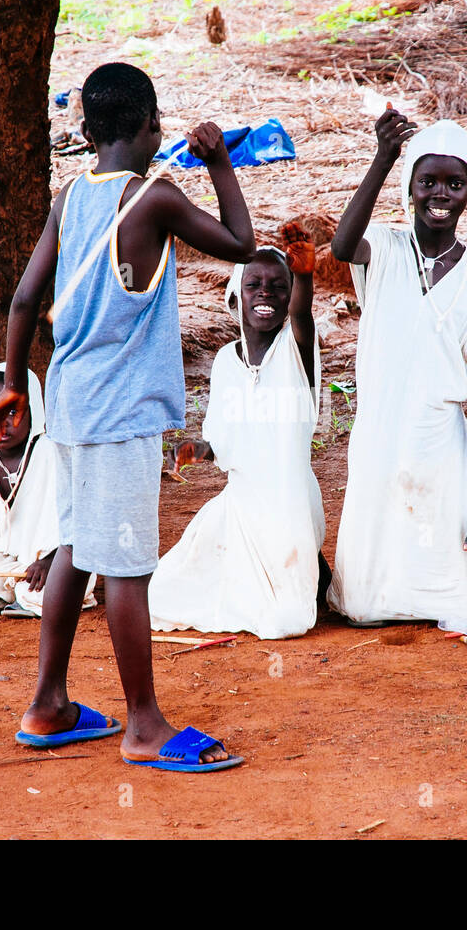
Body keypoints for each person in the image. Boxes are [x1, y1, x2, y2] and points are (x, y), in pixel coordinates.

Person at [0, 62, 254, 771]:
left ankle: (49, 703)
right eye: (159, 123)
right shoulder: (154, 200)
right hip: (121, 412)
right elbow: (241, 243)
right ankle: (144, 724)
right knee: (128, 568)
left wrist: (15, 385)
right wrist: (221, 162)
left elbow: (22, 301)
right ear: (148, 126)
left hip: (70, 404)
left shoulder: (69, 196)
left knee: (76, 548)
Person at [327, 113, 467, 635]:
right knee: (364, 606)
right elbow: (341, 247)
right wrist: (383, 157)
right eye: (427, 181)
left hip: (440, 445)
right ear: (410, 189)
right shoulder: (384, 250)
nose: (441, 193)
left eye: (455, 183)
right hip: (378, 435)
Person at [149, 228, 326, 639]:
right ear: (236, 295)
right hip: (240, 504)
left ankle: (308, 569)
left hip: (290, 503)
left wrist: (304, 277)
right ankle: (309, 572)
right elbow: (220, 442)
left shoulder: (297, 348)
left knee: (284, 620)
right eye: (255, 285)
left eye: (279, 287)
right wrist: (196, 449)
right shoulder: (227, 361)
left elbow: (302, 315)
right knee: (162, 593)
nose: (266, 294)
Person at [0, 364, 96, 616]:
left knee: (45, 592)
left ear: (33, 409)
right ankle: (17, 598)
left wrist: (50, 560)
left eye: (12, 410)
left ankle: (30, 595)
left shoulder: (54, 454)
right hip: (8, 563)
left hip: (60, 557)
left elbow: (82, 520)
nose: (1, 422)